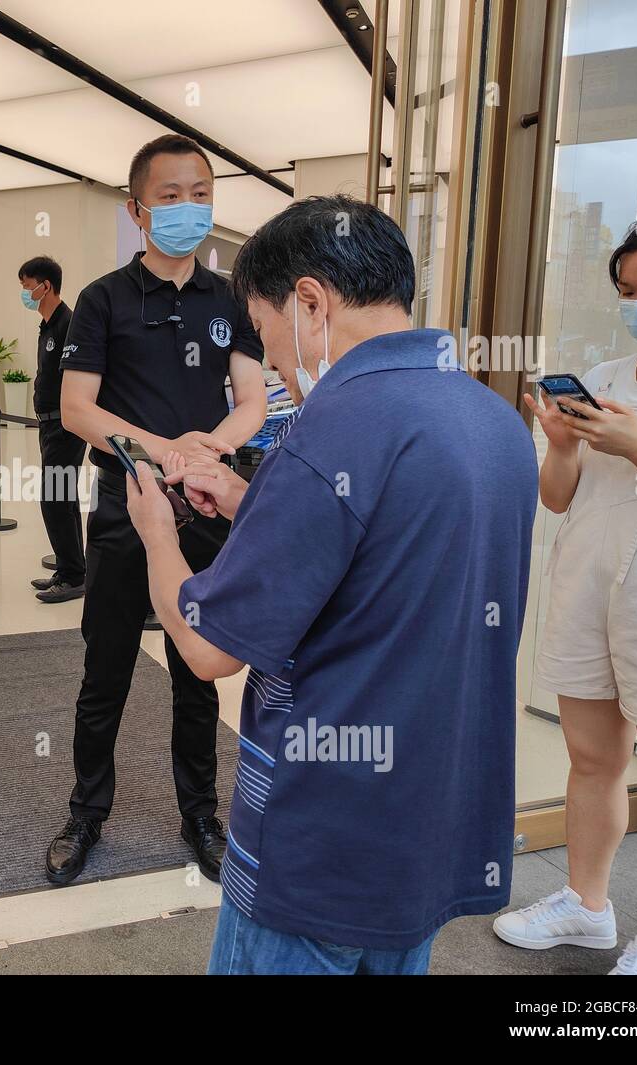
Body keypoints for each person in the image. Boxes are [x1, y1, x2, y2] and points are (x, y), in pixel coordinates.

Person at [125, 195, 539, 974]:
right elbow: (389, 549)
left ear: (311, 301)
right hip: (425, 824)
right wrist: (257, 501)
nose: (278, 367)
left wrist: (156, 534)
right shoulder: (495, 421)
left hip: (319, 839)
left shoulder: (334, 425)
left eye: (272, 340)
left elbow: (209, 648)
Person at [43, 134, 268, 885]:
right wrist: (165, 451)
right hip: (125, 509)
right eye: (170, 196)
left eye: (200, 192)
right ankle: (86, 811)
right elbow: (78, 409)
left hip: (206, 508)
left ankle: (201, 813)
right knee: (104, 669)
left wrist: (202, 455)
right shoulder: (104, 299)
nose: (188, 207)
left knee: (196, 672)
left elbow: (253, 402)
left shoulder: (232, 296)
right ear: (137, 209)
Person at [495, 210, 637, 976]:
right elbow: (558, 497)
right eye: (630, 290)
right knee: (591, 758)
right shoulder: (608, 378)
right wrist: (562, 442)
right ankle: (586, 902)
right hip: (587, 592)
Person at [19, 256, 86, 604]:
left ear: (46, 286)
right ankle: (71, 567)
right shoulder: (47, 325)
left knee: (54, 500)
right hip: (50, 426)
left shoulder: (67, 325)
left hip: (64, 426)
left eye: (28, 287)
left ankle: (74, 575)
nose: (25, 293)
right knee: (64, 499)